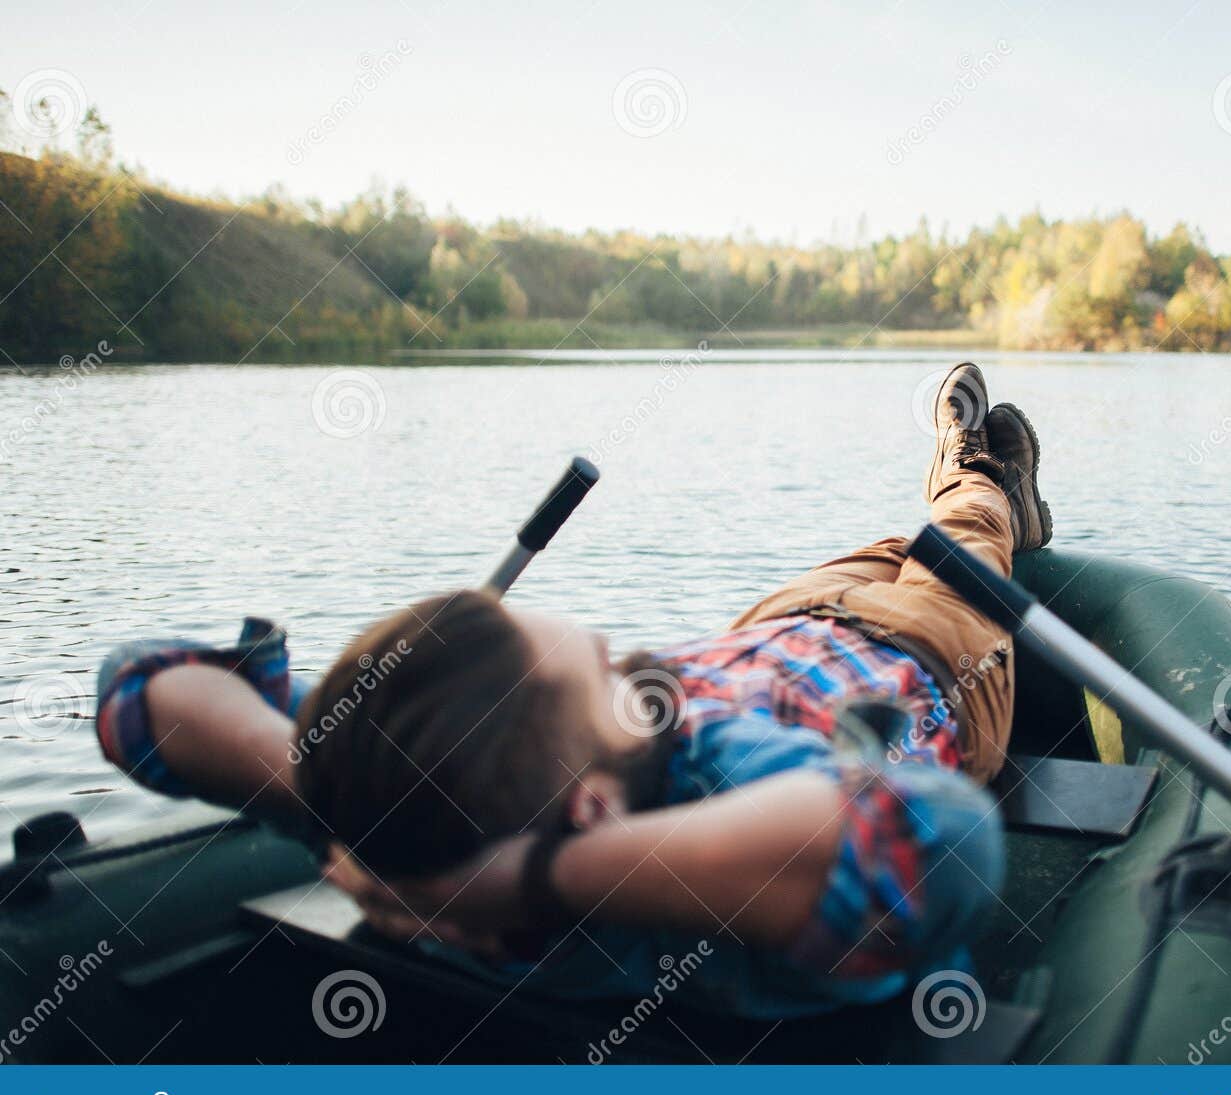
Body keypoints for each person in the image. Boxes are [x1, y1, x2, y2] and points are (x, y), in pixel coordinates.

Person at [95, 363, 1052, 1018]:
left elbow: (136, 686)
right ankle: (974, 473)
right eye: (601, 674)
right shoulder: (713, 794)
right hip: (930, 661)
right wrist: (526, 877)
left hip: (771, 628)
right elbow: (940, 841)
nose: (614, 655)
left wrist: (336, 806)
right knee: (964, 537)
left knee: (888, 544)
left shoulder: (408, 801)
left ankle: (959, 488)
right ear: (590, 807)